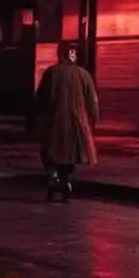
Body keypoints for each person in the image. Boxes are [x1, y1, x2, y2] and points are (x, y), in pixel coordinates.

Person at [35, 43, 98, 202]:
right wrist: (91, 121)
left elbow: (40, 99)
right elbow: (92, 102)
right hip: (76, 124)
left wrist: (39, 120)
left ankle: (53, 178)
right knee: (70, 156)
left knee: (51, 153)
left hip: (55, 123)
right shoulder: (83, 75)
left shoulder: (52, 73)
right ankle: (65, 181)